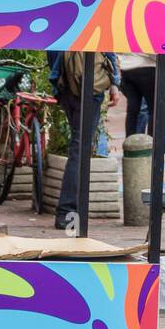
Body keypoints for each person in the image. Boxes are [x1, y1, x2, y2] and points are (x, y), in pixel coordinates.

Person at [49, 50, 121, 232]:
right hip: (87, 86)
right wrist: (114, 83)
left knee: (78, 145)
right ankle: (67, 212)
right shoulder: (90, 22)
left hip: (66, 85)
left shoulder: (61, 22)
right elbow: (106, 46)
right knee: (80, 149)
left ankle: (69, 211)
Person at [118, 51, 157, 138]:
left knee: (132, 111)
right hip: (146, 66)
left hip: (126, 67)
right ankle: (152, 146)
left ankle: (129, 146)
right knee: (154, 110)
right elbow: (152, 51)